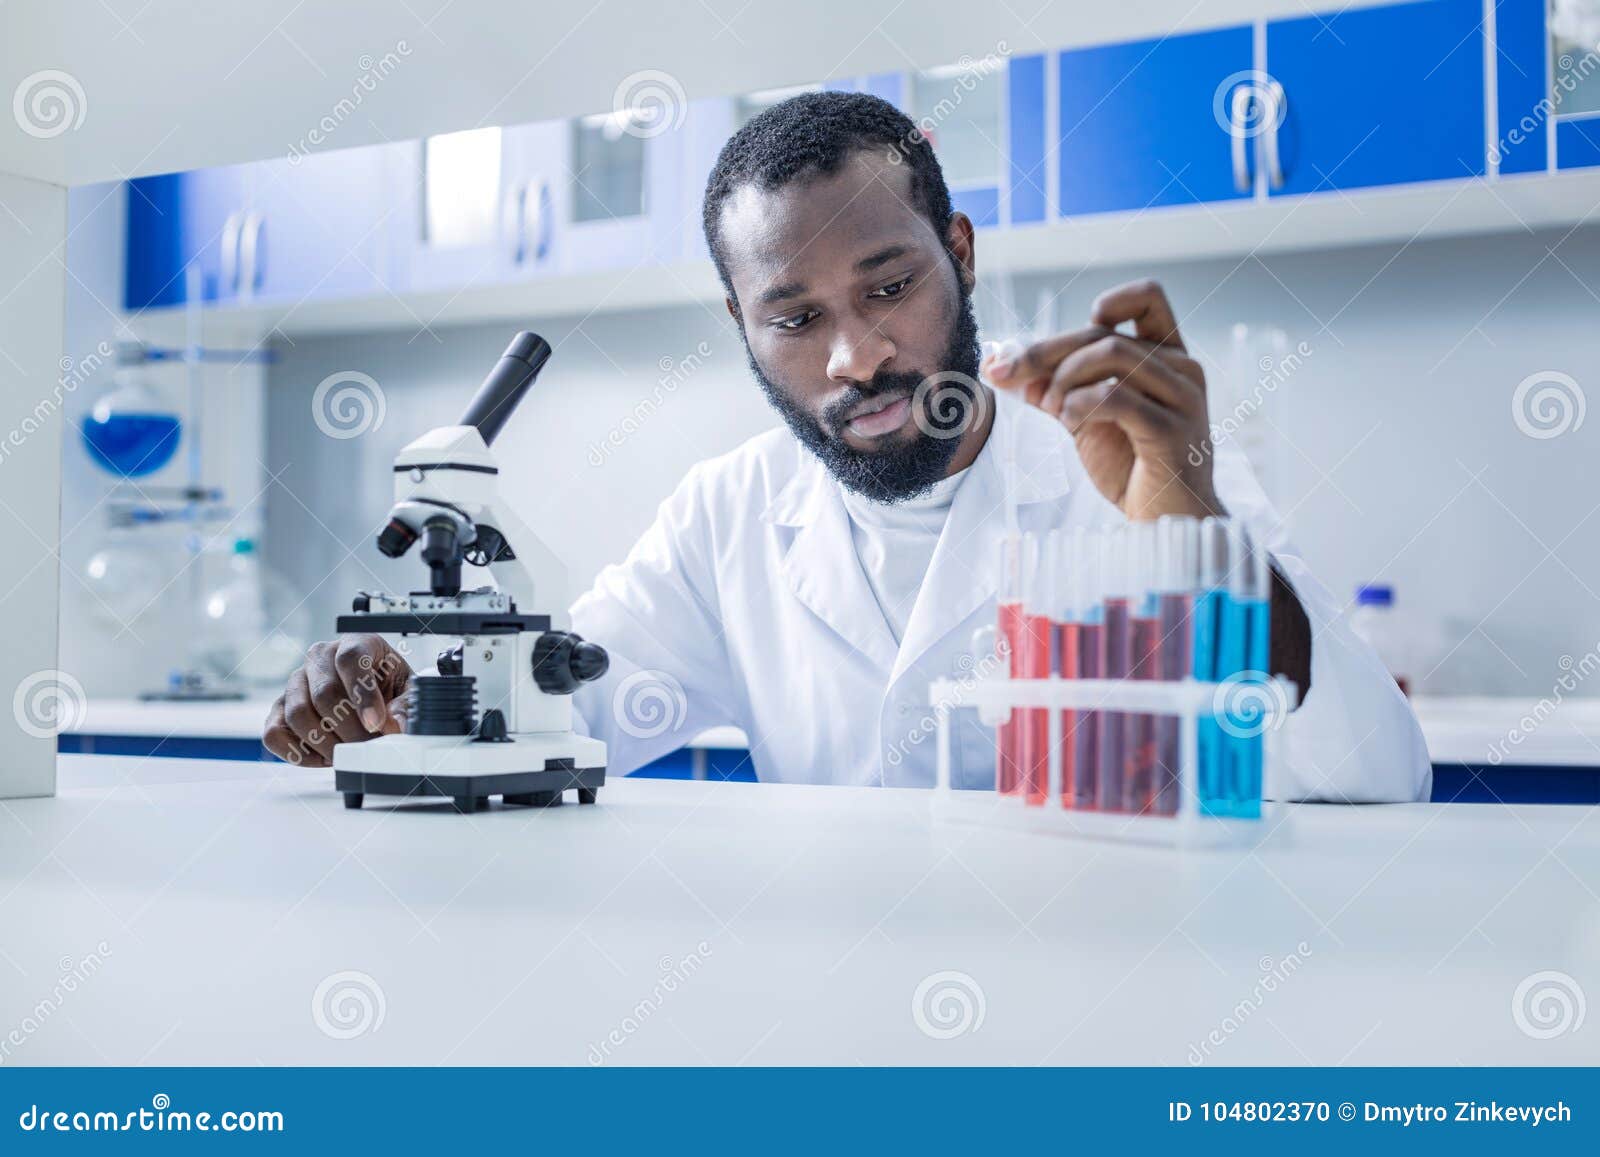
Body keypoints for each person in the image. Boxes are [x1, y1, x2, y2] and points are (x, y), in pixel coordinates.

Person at [264, 91, 1430, 803]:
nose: (856, 357)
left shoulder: (1126, 457)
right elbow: (566, 708)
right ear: (741, 326)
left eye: (890, 285)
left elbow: (1373, 778)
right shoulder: (728, 513)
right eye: (794, 316)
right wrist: (394, 683)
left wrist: (1195, 521)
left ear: (959, 253)